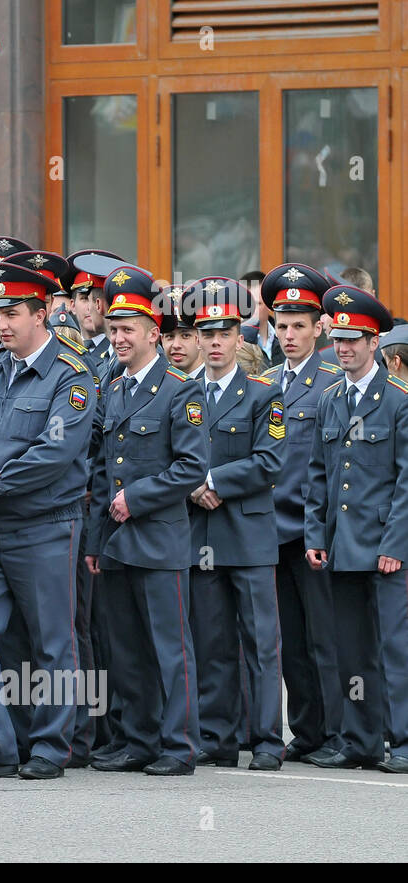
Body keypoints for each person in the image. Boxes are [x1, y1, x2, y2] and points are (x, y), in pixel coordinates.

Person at [0, 258, 96, 779]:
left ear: (44, 312)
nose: (1, 323)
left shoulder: (71, 376)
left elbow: (56, 451)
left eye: (12, 313)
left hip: (45, 524)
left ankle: (53, 747)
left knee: (53, 641)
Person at [86, 265, 207, 776]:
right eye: (113, 328)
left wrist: (138, 497)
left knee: (170, 648)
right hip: (116, 542)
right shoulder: (112, 387)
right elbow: (98, 468)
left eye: (127, 329)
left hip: (159, 539)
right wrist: (95, 542)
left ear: (153, 332)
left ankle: (178, 746)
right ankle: (138, 739)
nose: (118, 338)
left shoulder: (180, 389)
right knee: (127, 648)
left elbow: (191, 467)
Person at [181, 276, 285, 771]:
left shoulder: (264, 393)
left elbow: (270, 460)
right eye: (207, 334)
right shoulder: (185, 394)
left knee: (261, 643)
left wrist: (212, 481)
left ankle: (266, 740)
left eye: (224, 334)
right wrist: (190, 485)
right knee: (212, 641)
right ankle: (216, 736)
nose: (216, 343)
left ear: (238, 338)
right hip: (200, 536)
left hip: (247, 535)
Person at [304, 283, 408, 773]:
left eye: (354, 340)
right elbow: (318, 476)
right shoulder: (330, 399)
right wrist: (314, 538)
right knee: (351, 650)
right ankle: (360, 738)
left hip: (388, 548)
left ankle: (403, 739)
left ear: (374, 345)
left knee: (396, 646)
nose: (343, 348)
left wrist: (396, 544)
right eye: (338, 340)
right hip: (343, 547)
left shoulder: (398, 400)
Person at [257, 262, 342, 763]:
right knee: (289, 639)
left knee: (325, 638)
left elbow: (331, 465)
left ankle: (338, 733)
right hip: (271, 528)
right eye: (281, 325)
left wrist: (321, 528)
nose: (288, 335)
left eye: (298, 326)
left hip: (314, 529)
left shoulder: (332, 380)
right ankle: (307, 731)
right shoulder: (266, 382)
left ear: (319, 328)